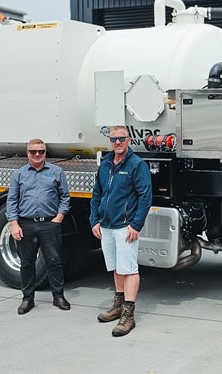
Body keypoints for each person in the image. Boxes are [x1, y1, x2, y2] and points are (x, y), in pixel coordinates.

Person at [90, 125, 152, 337]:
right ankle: (117, 305)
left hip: (125, 227)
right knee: (116, 267)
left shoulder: (136, 165)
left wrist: (136, 224)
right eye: (114, 139)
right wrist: (94, 220)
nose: (117, 142)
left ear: (129, 140)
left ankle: (129, 315)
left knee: (129, 269)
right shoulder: (105, 164)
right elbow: (96, 193)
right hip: (106, 226)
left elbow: (145, 197)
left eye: (121, 138)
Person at [6, 138, 71, 315]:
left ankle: (58, 297)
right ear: (27, 153)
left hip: (50, 224)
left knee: (54, 261)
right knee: (27, 263)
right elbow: (12, 200)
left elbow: (65, 196)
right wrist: (13, 224)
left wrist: (59, 217)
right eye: (33, 151)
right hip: (26, 224)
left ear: (45, 153)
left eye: (40, 151)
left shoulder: (56, 172)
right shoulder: (18, 174)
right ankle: (27, 299)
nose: (37, 155)